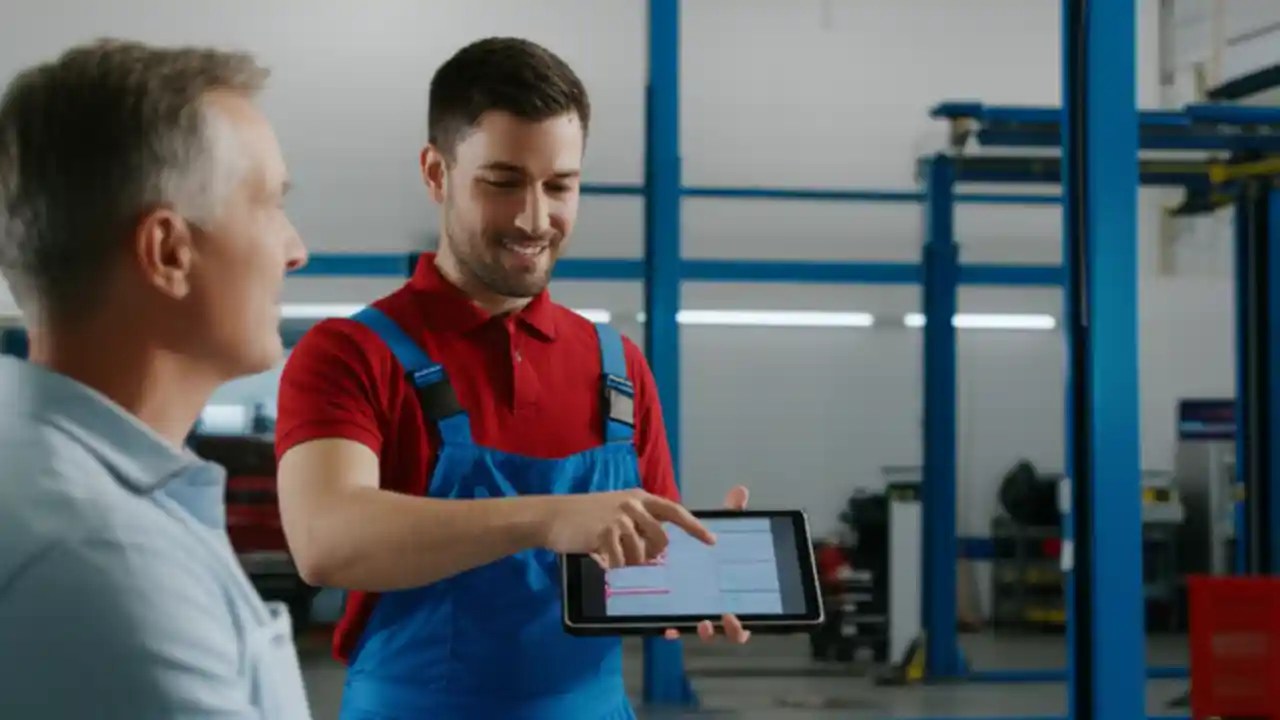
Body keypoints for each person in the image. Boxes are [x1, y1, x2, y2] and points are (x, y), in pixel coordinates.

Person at [274, 37, 750, 719]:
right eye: (502, 183)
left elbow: (635, 561)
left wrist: (702, 567)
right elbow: (326, 541)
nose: (534, 219)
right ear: (436, 173)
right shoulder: (350, 354)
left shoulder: (617, 367)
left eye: (560, 186)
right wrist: (549, 518)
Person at [0, 39, 313, 719]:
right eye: (269, 205)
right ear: (169, 251)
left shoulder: (45, 471)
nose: (296, 251)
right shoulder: (104, 560)